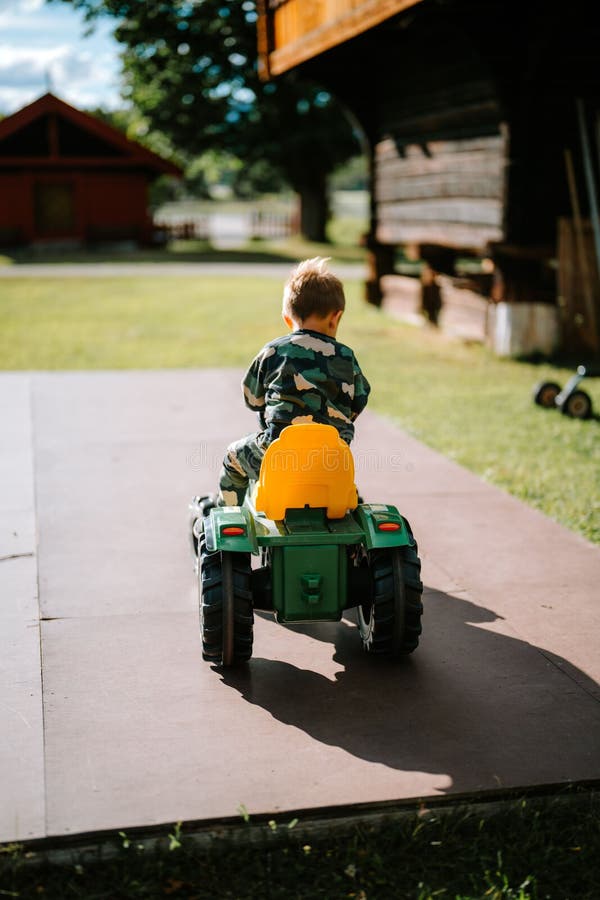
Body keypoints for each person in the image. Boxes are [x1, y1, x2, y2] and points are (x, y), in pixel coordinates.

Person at [202, 256, 370, 512]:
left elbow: (252, 399)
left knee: (233, 459)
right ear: (336, 318)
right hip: (332, 458)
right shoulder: (347, 357)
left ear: (287, 319)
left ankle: (227, 512)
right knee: (342, 475)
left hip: (278, 453)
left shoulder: (273, 352)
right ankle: (347, 506)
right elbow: (358, 402)